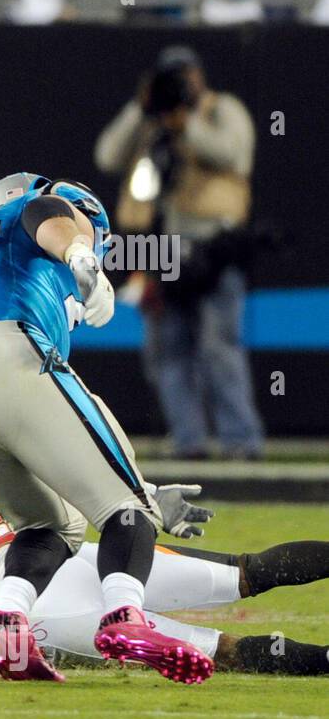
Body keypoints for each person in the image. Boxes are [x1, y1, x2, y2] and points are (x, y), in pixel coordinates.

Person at [0, 171, 213, 685]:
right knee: (125, 509)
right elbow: (45, 214)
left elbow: (51, 446)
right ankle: (124, 619)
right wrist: (81, 255)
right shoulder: (50, 214)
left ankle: (4, 619)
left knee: (51, 524)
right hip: (1, 353)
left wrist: (141, 489)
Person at [0, 462, 329, 677]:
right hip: (88, 560)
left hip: (35, 615)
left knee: (226, 652)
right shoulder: (6, 484)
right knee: (248, 571)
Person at [94, 45, 263, 460]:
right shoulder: (153, 122)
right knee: (166, 350)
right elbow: (108, 156)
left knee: (218, 347)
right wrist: (141, 107)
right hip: (163, 247)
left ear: (199, 76)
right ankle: (189, 442)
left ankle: (241, 442)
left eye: (183, 77)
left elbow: (232, 155)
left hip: (212, 243)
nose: (177, 86)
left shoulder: (221, 110)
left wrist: (186, 120)